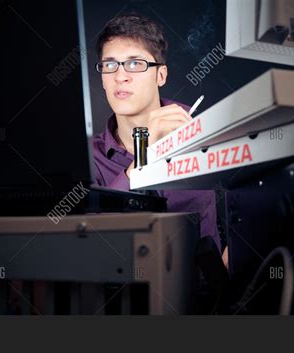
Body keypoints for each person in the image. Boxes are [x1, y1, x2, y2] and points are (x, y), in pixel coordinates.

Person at [92, 13, 228, 266]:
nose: (120, 76)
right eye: (110, 65)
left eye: (135, 64)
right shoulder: (91, 157)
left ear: (161, 75)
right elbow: (91, 237)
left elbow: (246, 201)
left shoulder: (201, 127)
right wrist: (146, 155)